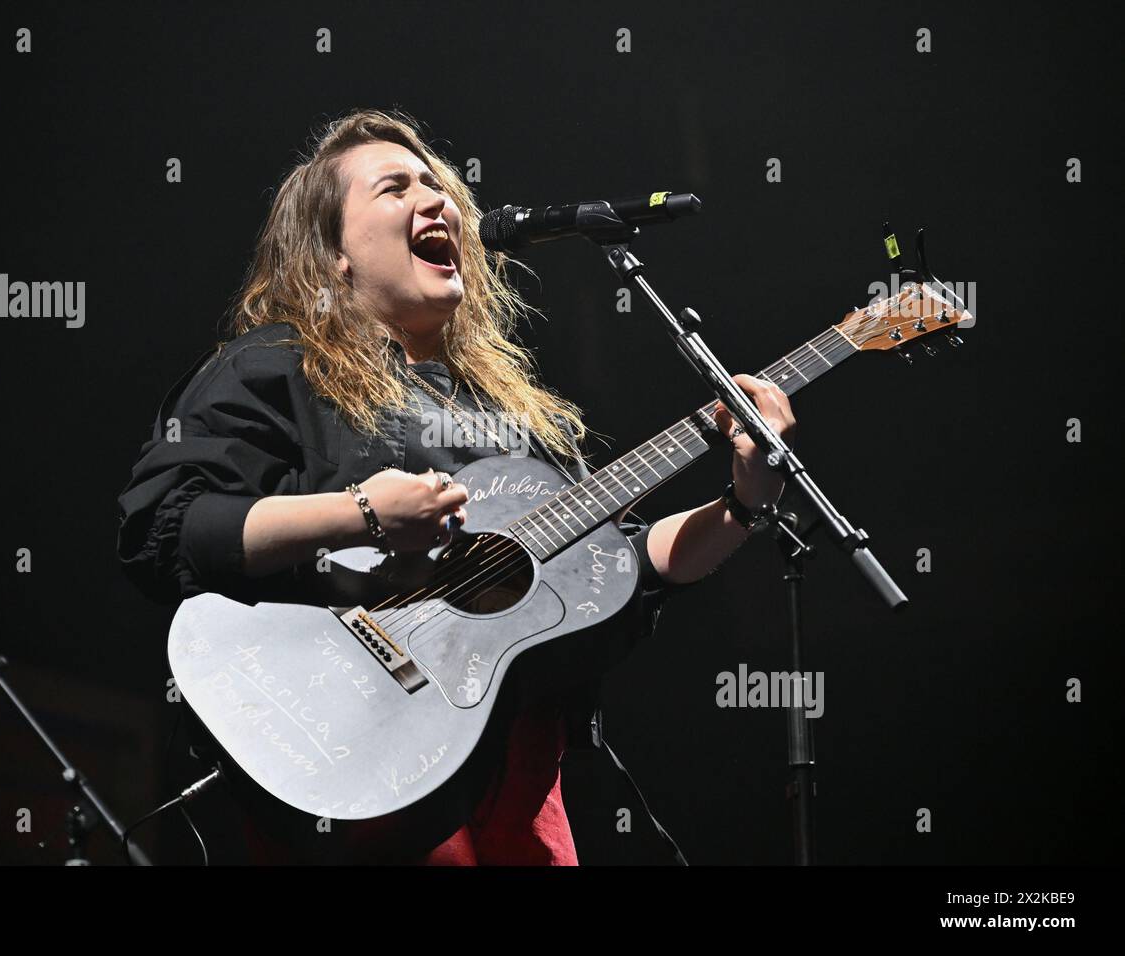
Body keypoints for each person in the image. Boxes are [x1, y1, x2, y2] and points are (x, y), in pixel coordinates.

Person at [115, 108, 796, 865]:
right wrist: (363, 513)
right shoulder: (273, 367)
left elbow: (626, 566)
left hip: (518, 793)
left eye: (437, 186)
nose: (437, 201)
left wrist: (743, 500)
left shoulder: (512, 417)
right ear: (333, 252)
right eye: (395, 187)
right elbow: (171, 528)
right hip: (356, 759)